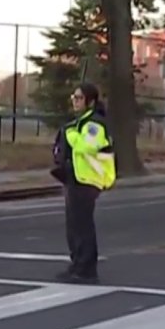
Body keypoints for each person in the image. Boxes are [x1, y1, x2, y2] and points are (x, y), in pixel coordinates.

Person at [51, 82, 116, 283]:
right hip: (75, 178)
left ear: (91, 101)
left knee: (83, 226)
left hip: (88, 180)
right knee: (73, 226)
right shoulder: (81, 122)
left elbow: (86, 147)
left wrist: (70, 133)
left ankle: (86, 268)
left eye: (79, 98)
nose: (75, 101)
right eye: (73, 97)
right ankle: (77, 263)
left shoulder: (94, 124)